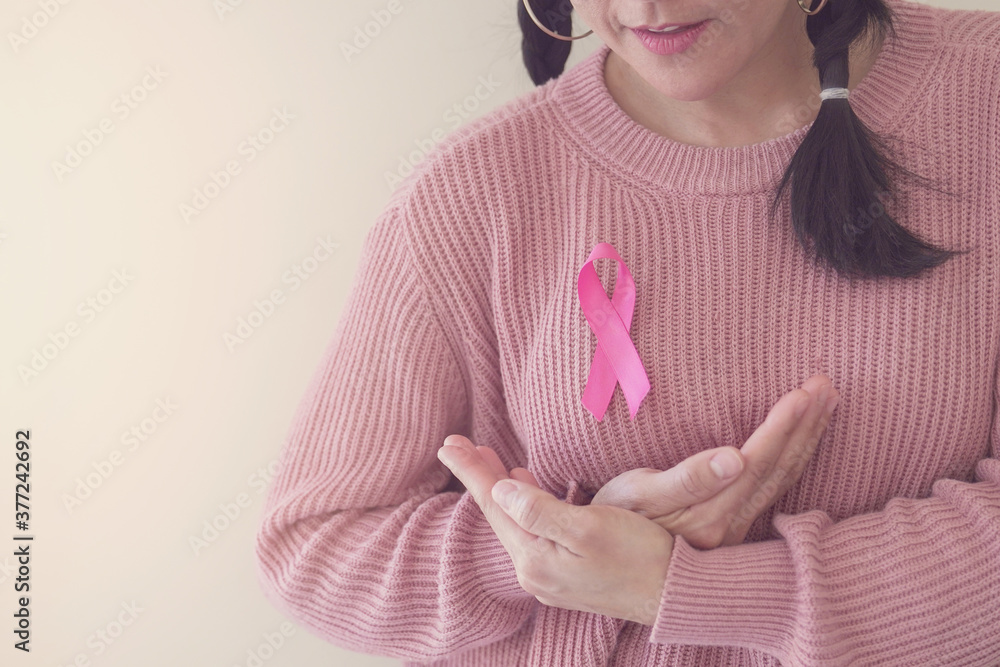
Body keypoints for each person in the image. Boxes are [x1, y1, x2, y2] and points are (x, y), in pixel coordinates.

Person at [255, 0, 1000, 664]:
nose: (648, 7)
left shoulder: (984, 93)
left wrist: (687, 587)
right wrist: (542, 546)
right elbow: (315, 549)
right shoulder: (470, 191)